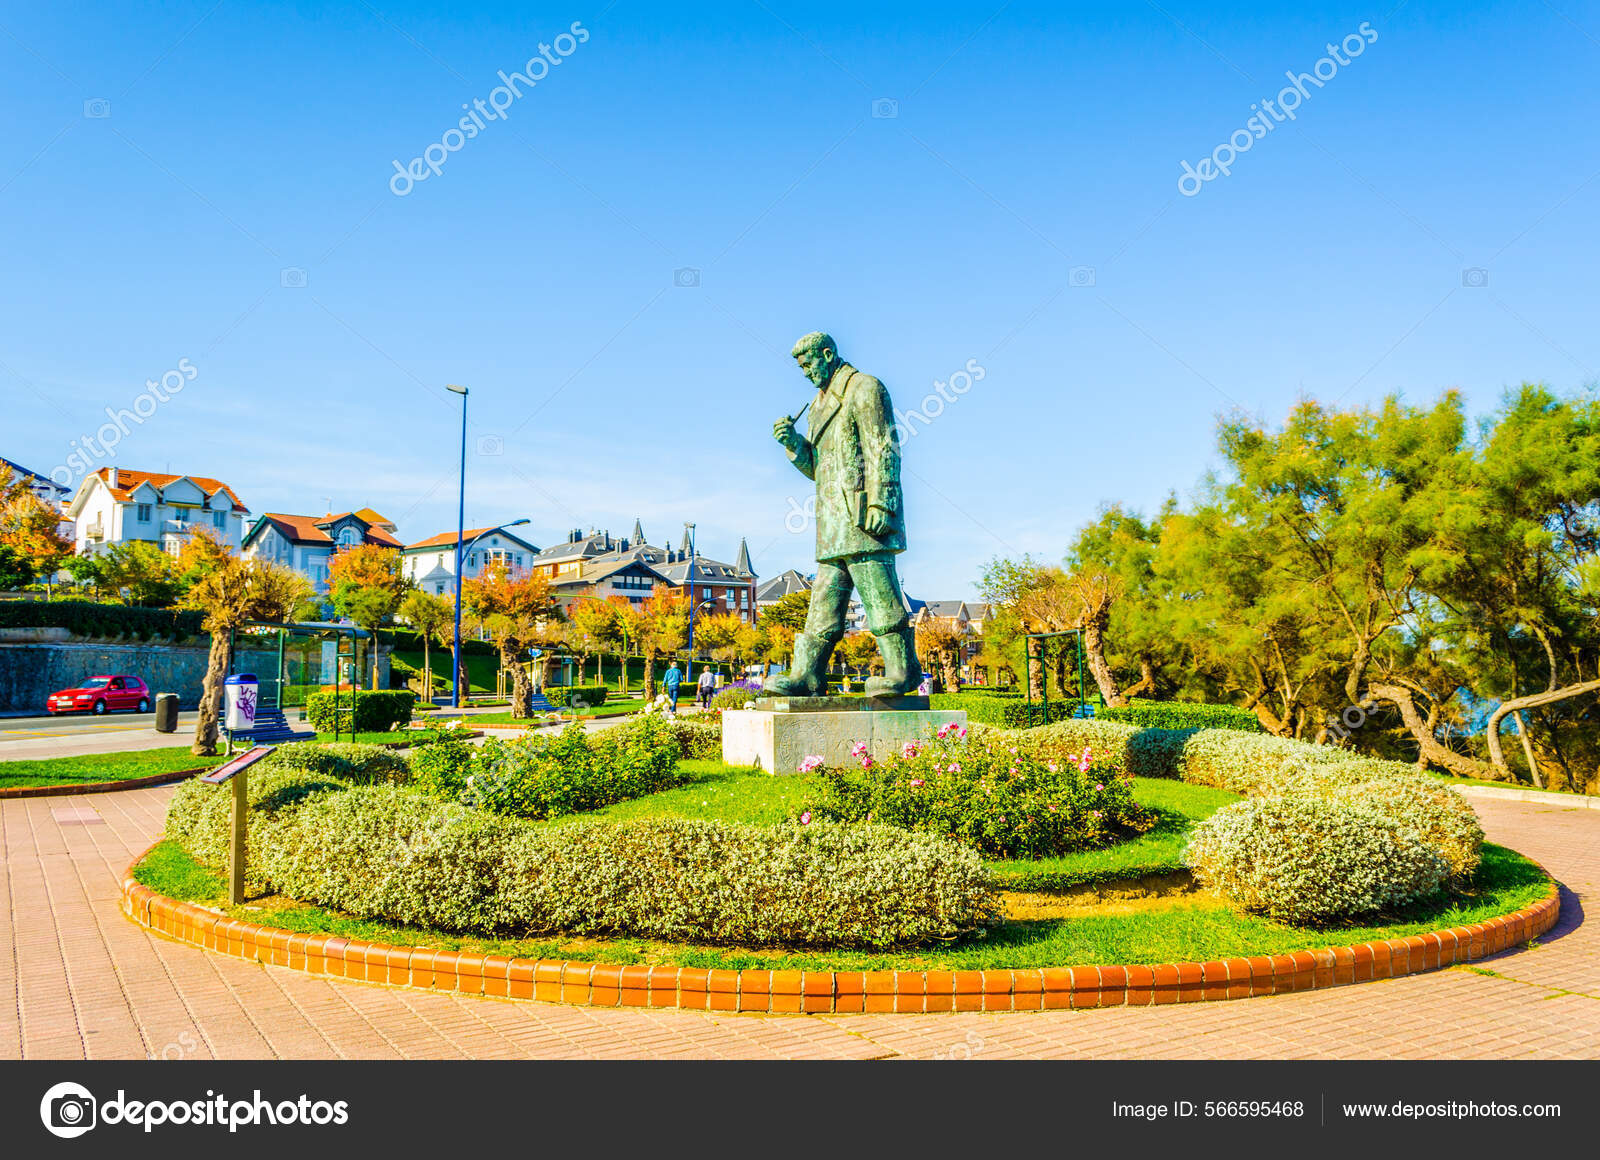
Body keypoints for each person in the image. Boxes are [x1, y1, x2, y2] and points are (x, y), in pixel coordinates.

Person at [770, 331, 923, 696]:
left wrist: (881, 503)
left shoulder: (864, 388)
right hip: (833, 521)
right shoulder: (818, 405)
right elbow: (818, 467)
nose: (806, 373)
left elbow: (883, 447)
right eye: (801, 368)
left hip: (863, 517)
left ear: (827, 354)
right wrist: (794, 445)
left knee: (879, 595)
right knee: (823, 604)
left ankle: (903, 671)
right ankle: (808, 674)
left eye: (808, 364)